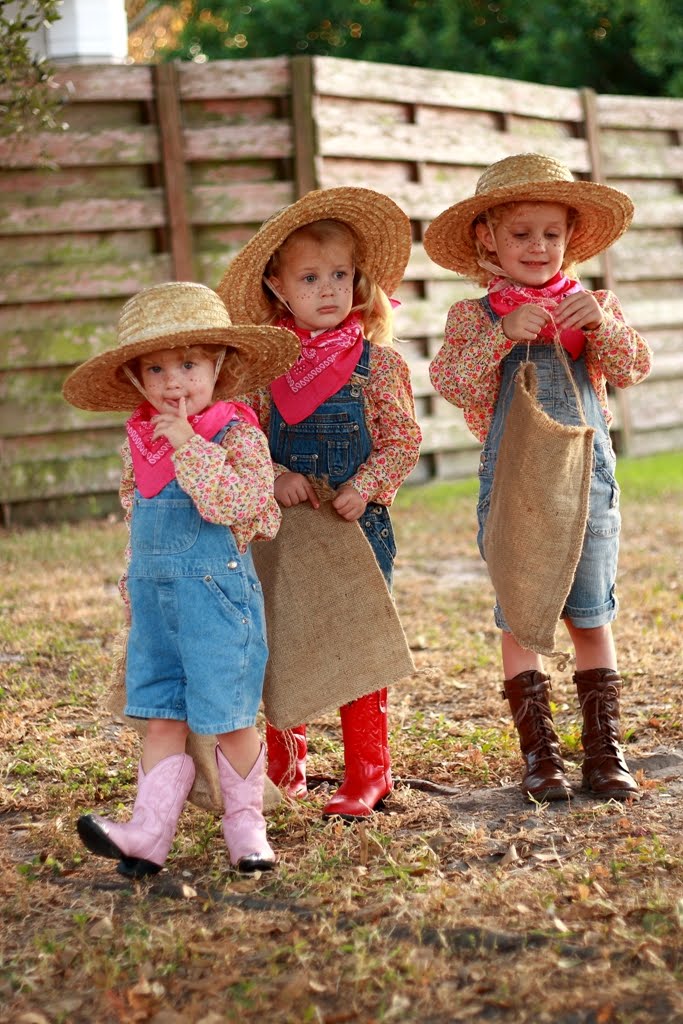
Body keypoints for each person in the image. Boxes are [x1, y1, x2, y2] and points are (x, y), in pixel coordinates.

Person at [424, 153, 652, 803]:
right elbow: (451, 382)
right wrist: (501, 335)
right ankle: (540, 756)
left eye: (551, 234)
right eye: (520, 233)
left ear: (570, 238)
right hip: (516, 486)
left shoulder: (591, 303)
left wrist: (601, 326)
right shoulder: (476, 317)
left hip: (586, 481)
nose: (537, 247)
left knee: (590, 613)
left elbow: (633, 367)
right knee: (521, 615)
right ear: (486, 237)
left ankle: (603, 750)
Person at [62, 281, 300, 876]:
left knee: (229, 718)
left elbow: (252, 510)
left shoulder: (236, 432)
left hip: (218, 602)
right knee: (162, 715)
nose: (173, 382)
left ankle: (246, 826)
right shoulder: (139, 442)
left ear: (219, 366)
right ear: (136, 379)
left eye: (189, 365)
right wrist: (132, 588)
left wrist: (191, 447)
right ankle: (148, 833)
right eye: (156, 369)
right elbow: (136, 516)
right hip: (156, 603)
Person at [217, 186, 422, 819]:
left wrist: (366, 485)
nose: (329, 289)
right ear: (277, 287)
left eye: (340, 275)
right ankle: (287, 765)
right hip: (283, 530)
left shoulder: (377, 364)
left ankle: (369, 771)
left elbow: (403, 438)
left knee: (359, 638)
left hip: (356, 522)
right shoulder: (261, 371)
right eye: (310, 278)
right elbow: (239, 437)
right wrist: (275, 471)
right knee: (285, 639)